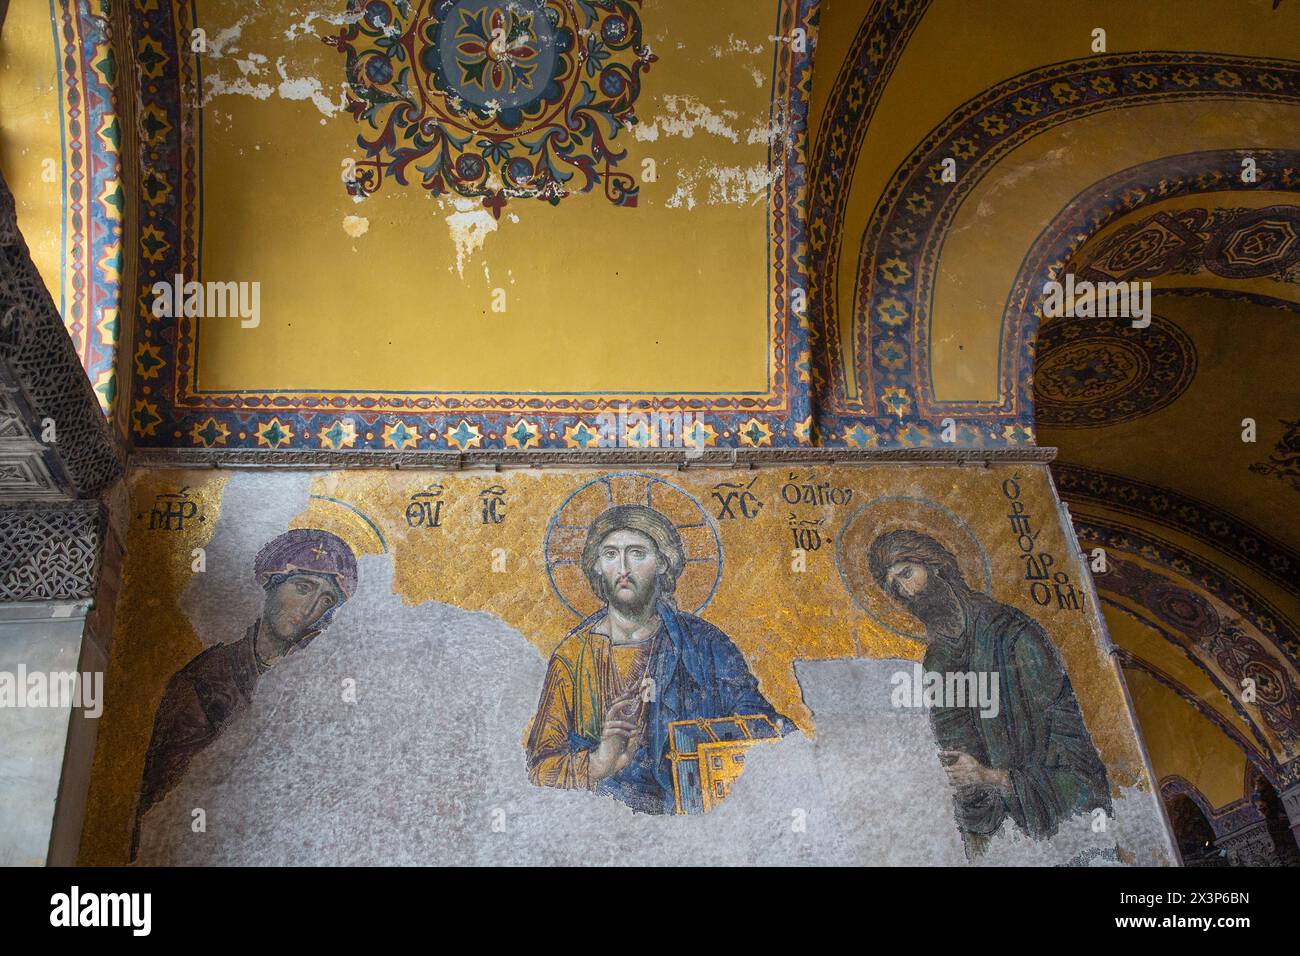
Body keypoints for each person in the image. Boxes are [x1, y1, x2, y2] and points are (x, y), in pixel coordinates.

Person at [527, 504, 790, 813]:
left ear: (664, 563)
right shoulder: (572, 658)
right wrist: (601, 762)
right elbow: (538, 769)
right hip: (603, 825)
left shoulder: (705, 645)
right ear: (597, 566)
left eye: (637, 553)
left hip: (695, 821)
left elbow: (764, 730)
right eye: (610, 554)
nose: (623, 567)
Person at [868, 529, 1111, 854]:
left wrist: (996, 779)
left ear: (936, 566)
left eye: (907, 574)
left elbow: (1078, 764)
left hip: (1062, 830)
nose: (907, 592)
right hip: (1005, 838)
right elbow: (960, 759)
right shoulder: (937, 661)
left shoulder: (1014, 636)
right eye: (894, 587)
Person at [132, 528, 357, 855]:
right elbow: (163, 782)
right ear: (272, 587)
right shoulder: (209, 677)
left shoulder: (307, 682)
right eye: (303, 587)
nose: (309, 609)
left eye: (325, 600)